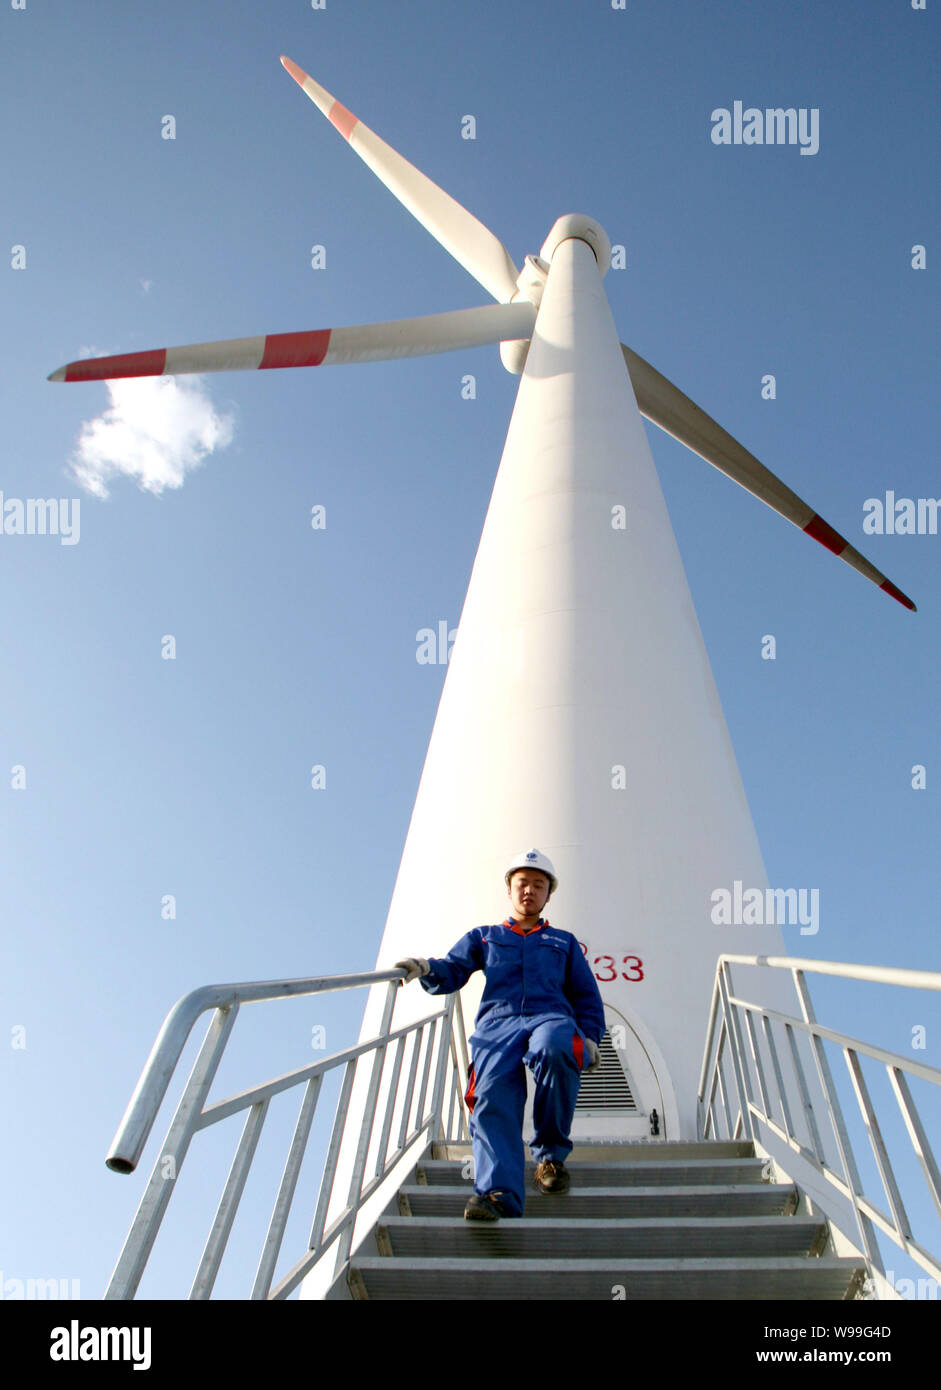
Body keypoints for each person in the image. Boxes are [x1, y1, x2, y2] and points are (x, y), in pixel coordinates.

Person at [395, 849, 605, 1221]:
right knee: (490, 1093)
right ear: (510, 889)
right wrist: (427, 968)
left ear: (548, 895)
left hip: (550, 1016)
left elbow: (585, 993)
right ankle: (497, 1192)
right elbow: (454, 968)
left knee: (559, 1048)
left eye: (538, 885)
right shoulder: (486, 937)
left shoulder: (563, 942)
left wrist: (589, 1037)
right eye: (522, 883)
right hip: (498, 1023)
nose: (529, 891)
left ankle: (550, 1159)